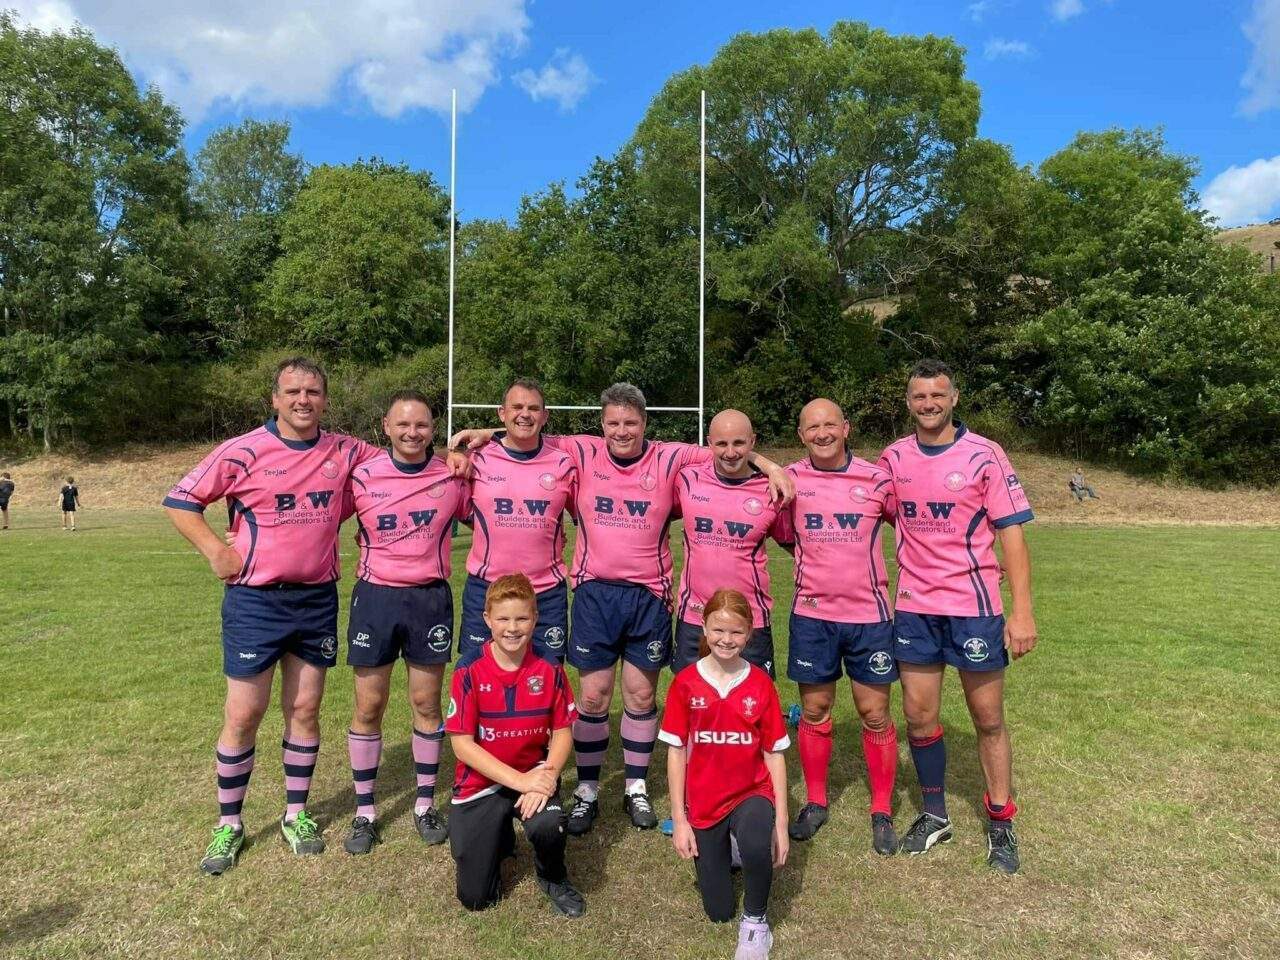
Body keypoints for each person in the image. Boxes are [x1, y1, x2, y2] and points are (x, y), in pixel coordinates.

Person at [451, 383, 793, 835]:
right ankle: (587, 789)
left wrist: (770, 464)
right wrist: (485, 433)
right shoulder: (582, 450)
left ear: (645, 424)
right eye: (613, 422)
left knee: (640, 696)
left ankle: (635, 786)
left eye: (631, 423)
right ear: (602, 424)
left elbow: (728, 450)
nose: (621, 431)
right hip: (594, 593)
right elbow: (525, 430)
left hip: (648, 596)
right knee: (592, 697)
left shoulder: (671, 458)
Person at [163, 356, 378, 875]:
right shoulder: (242, 450)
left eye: (313, 392)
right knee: (243, 714)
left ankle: (296, 814)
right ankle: (229, 824)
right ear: (275, 399)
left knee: (304, 709)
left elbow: (404, 452)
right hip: (256, 602)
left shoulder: (346, 450)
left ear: (325, 400)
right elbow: (180, 500)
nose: (303, 400)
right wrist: (217, 551)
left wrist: (472, 442)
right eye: (293, 391)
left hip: (316, 599)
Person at [877, 359, 1037, 873]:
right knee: (919, 716)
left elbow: (1012, 533)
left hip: (974, 609)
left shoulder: (985, 454)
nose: (929, 404)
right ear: (909, 402)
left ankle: (1001, 820)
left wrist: (1022, 613)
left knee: (987, 718)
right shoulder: (893, 457)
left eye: (937, 395)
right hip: (915, 608)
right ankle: (935, 814)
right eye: (919, 396)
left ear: (954, 398)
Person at [340, 391, 469, 855]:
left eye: (422, 425)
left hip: (428, 600)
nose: (412, 433)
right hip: (375, 599)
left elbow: (498, 510)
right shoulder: (362, 475)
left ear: (433, 429)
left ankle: (424, 804)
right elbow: (308, 517)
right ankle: (365, 811)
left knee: (426, 703)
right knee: (368, 706)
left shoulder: (452, 475)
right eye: (403, 424)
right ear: (386, 426)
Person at [774, 399, 900, 854]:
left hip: (870, 618)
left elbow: (915, 529)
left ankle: (881, 810)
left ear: (846, 428)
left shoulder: (877, 479)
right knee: (814, 710)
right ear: (801, 434)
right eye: (812, 427)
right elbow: (784, 535)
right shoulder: (788, 479)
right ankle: (816, 802)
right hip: (813, 617)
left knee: (875, 713)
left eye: (830, 424)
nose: (822, 433)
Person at [445, 574, 586, 917]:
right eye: (503, 619)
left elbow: (563, 732)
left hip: (532, 773)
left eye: (522, 618)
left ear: (535, 619)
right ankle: (499, 836)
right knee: (476, 898)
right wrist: (520, 782)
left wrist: (548, 775)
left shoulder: (550, 667)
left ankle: (553, 876)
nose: (512, 628)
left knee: (549, 825)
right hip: (481, 783)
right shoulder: (468, 669)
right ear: (487, 619)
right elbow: (462, 746)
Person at [660, 589, 789, 960]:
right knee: (718, 911)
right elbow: (676, 752)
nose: (726, 639)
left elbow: (774, 754)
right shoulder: (685, 683)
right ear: (704, 628)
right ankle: (732, 848)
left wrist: (780, 825)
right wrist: (680, 819)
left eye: (736, 632)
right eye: (718, 630)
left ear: (749, 634)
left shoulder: (760, 684)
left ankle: (756, 924)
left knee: (757, 842)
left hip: (752, 791)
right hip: (705, 801)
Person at [457, 378, 576, 665]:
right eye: (517, 407)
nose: (525, 414)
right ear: (502, 413)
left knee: (546, 677)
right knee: (478, 674)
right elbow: (463, 509)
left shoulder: (565, 463)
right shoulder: (476, 458)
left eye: (533, 408)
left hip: (545, 592)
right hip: (487, 588)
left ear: (545, 416)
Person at [671, 410, 785, 676]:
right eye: (722, 443)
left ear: (752, 442)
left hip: (750, 619)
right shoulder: (687, 479)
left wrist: (771, 469)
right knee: (692, 697)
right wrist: (768, 463)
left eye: (739, 443)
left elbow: (797, 545)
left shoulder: (771, 489)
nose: (730, 452)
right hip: (695, 616)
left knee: (752, 698)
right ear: (709, 443)